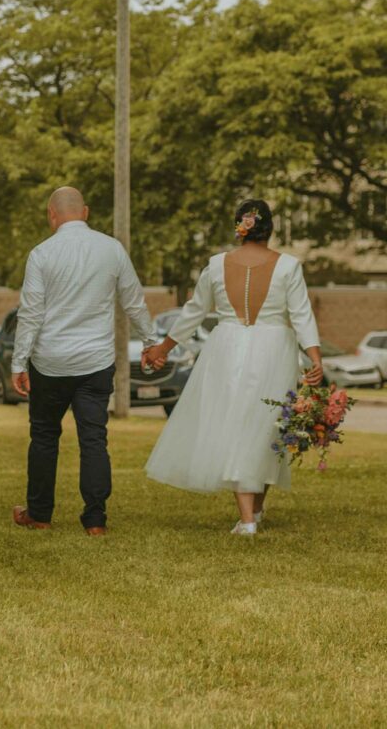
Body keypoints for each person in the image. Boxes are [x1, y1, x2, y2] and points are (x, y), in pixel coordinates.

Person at [140, 198, 322, 536]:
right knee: (267, 426)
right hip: (274, 349)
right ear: (270, 228)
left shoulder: (216, 265)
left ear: (240, 228)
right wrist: (315, 357)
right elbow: (301, 315)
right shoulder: (288, 266)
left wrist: (162, 349)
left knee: (241, 425)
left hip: (227, 346)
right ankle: (249, 517)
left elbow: (194, 311)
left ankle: (253, 514)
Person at [9, 186, 155, 536]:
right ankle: (95, 520)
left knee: (44, 436)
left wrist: (18, 362)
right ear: (85, 212)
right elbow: (133, 301)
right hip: (95, 362)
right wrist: (150, 341)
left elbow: (31, 313)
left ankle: (39, 514)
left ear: (51, 215)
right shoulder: (112, 249)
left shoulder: (41, 254)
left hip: (50, 362)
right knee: (94, 439)